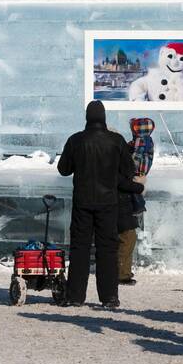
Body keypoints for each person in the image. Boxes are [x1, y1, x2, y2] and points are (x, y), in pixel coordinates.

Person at [56, 100, 138, 308]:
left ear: (87, 117)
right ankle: (109, 296)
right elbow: (129, 171)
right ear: (103, 117)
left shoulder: (76, 140)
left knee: (80, 248)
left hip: (82, 201)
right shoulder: (116, 141)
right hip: (108, 202)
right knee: (108, 249)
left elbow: (63, 169)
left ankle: (75, 296)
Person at [119, 117, 153, 286]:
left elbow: (132, 162)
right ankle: (122, 271)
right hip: (134, 185)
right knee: (128, 234)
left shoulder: (141, 143)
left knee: (127, 234)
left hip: (134, 183)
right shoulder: (142, 142)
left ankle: (122, 272)